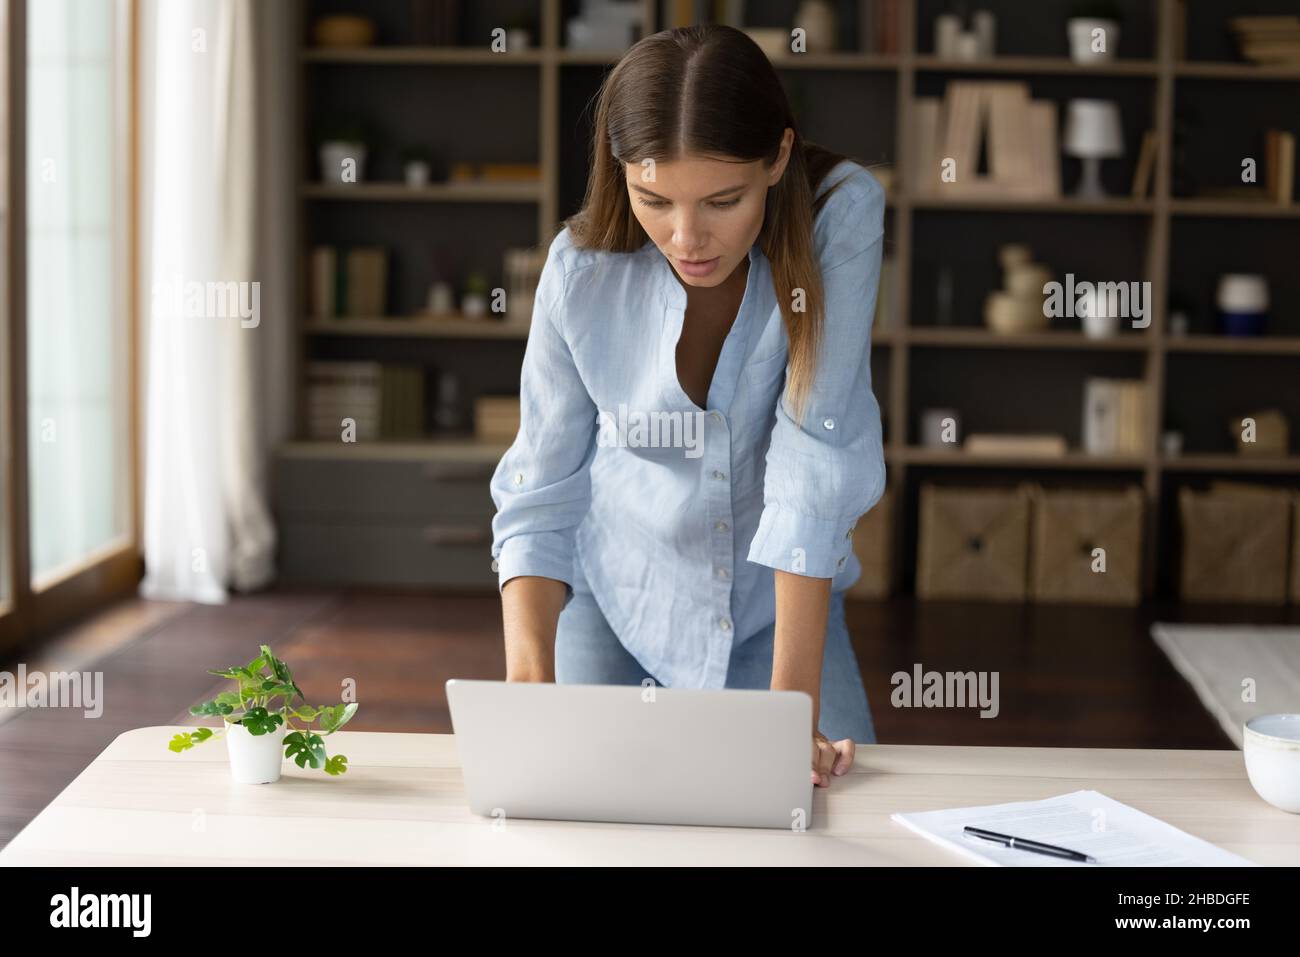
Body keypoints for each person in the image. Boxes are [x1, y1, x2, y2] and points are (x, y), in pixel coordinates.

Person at [489, 24, 886, 788]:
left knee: (832, 814)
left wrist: (789, 713)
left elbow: (815, 456)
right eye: (654, 199)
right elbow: (542, 489)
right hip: (620, 601)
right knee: (585, 817)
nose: (686, 236)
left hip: (776, 609)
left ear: (777, 157)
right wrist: (528, 686)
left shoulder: (839, 212)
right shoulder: (579, 272)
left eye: (723, 200)